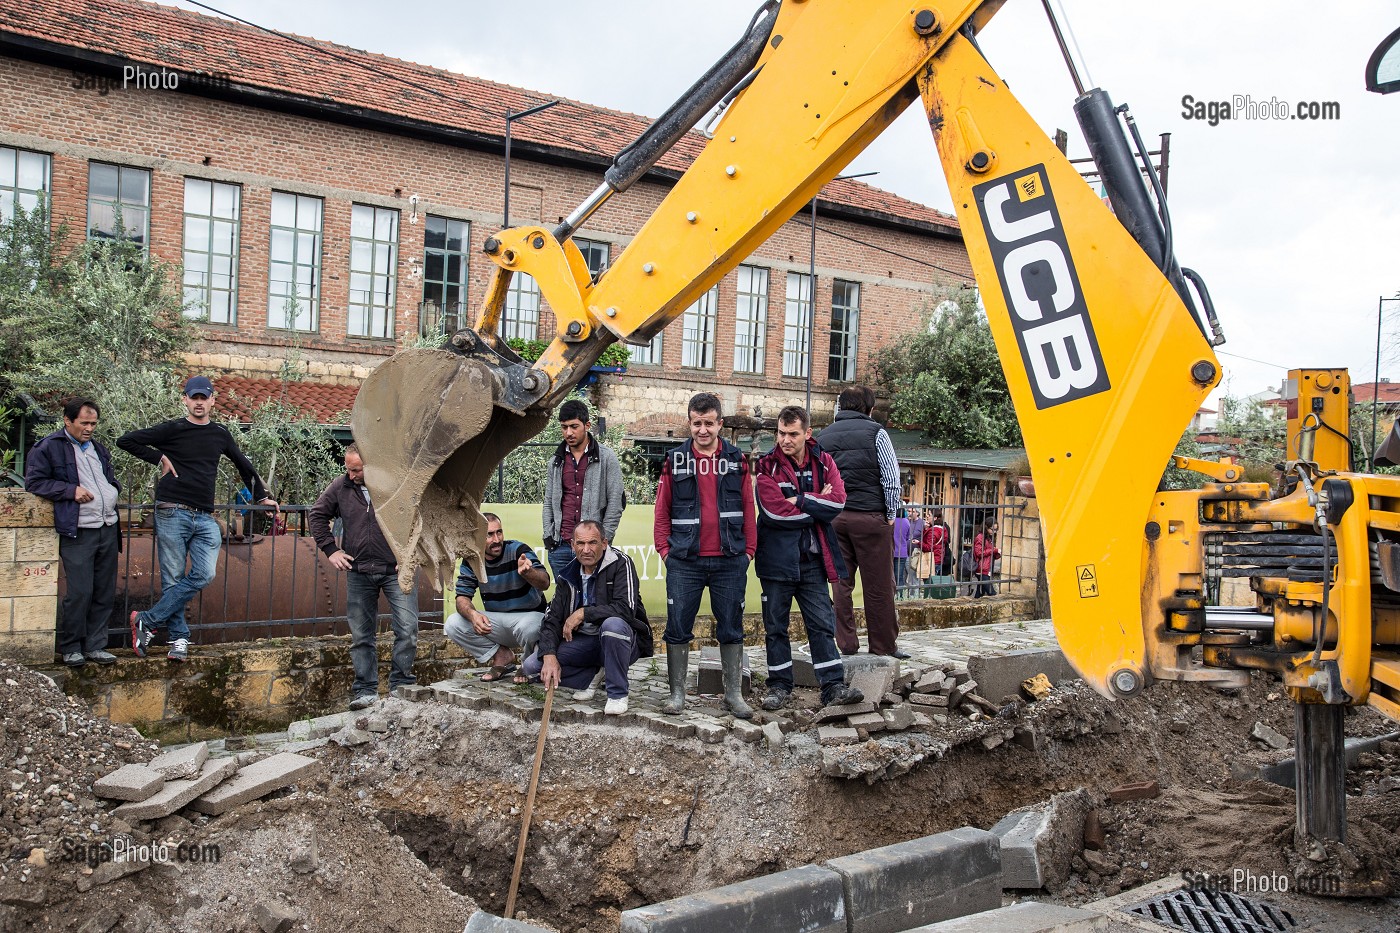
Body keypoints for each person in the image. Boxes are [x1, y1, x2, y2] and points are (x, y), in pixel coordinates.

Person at [119, 376, 278, 661]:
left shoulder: (219, 433)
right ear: (185, 400)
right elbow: (126, 441)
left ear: (213, 401)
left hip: (204, 516)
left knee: (205, 573)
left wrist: (261, 497)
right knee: (173, 578)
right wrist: (159, 459)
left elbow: (244, 465)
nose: (199, 403)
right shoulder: (173, 429)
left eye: (204, 398)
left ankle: (148, 620)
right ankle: (179, 639)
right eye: (194, 398)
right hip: (171, 510)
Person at [753, 406, 864, 711]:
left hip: (814, 559)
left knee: (821, 624)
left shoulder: (824, 461)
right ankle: (778, 687)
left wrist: (800, 499)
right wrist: (818, 504)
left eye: (792, 434)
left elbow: (838, 502)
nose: (785, 440)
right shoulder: (766, 466)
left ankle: (832, 687)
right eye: (781, 433)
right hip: (776, 561)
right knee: (775, 627)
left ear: (807, 434)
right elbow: (774, 512)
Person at [654, 392, 756, 718]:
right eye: (697, 423)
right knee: (678, 626)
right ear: (689, 423)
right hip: (685, 560)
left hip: (729, 559)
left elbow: (748, 507)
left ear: (719, 424)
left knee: (731, 627)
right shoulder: (675, 459)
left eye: (709, 423)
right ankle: (677, 694)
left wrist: (748, 552)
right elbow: (662, 510)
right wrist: (666, 552)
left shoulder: (737, 460)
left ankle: (733, 695)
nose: (702, 430)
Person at [309, 444, 421, 710]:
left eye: (356, 470)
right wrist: (331, 550)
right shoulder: (341, 487)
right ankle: (365, 691)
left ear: (370, 466)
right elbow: (317, 514)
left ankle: (401, 687)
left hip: (396, 571)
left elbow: (422, 518)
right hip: (358, 572)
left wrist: (410, 555)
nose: (351, 475)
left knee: (407, 629)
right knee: (361, 636)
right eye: (348, 469)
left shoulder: (398, 484)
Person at [25, 398, 121, 667]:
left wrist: (113, 491)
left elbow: (105, 481)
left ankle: (95, 646)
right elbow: (34, 482)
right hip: (79, 530)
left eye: (93, 423)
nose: (89, 428)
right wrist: (70, 491)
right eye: (84, 423)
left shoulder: (98, 449)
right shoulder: (48, 447)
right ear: (68, 421)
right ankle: (71, 647)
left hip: (108, 527)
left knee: (104, 591)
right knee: (80, 591)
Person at [521, 520, 652, 715]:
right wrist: (549, 655)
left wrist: (584, 613)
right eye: (580, 544)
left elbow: (626, 609)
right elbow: (552, 618)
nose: (586, 549)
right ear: (572, 545)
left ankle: (617, 694)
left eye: (592, 543)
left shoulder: (620, 563)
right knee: (532, 667)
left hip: (623, 641)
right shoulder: (568, 574)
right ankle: (592, 674)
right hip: (585, 643)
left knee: (612, 625)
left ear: (604, 543)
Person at [819, 386, 906, 658]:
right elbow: (891, 479)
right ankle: (883, 646)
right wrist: (891, 515)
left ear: (841, 407)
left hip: (835, 518)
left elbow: (818, 479)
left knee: (841, 585)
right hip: (870, 517)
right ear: (868, 408)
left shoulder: (822, 437)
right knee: (879, 584)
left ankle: (846, 644)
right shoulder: (877, 433)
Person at [444, 512, 550, 684]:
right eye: (489, 534)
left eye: (499, 532)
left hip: (529, 617)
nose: (496, 539)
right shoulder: (472, 560)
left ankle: (528, 663)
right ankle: (502, 656)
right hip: (499, 623)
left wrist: (529, 573)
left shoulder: (518, 550)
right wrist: (473, 615)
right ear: (478, 537)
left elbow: (544, 582)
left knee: (531, 625)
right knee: (453, 623)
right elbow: (462, 598)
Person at [541, 399, 625, 582]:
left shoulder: (607, 458)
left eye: (574, 426)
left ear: (587, 425)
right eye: (564, 427)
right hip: (561, 545)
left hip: (593, 547)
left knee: (594, 602)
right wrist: (549, 536)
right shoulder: (555, 461)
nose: (568, 433)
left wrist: (605, 540)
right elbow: (549, 501)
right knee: (566, 603)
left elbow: (616, 503)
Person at [973, 520, 1002, 598]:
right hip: (982, 569)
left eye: (996, 530)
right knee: (991, 593)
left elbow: (989, 553)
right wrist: (994, 550)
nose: (994, 532)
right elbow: (979, 553)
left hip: (986, 568)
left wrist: (997, 554)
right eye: (993, 529)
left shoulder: (989, 538)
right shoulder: (980, 537)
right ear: (986, 527)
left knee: (979, 594)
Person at [891, 507, 912, 598]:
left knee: (889, 574)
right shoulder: (907, 522)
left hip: (891, 551)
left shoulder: (892, 521)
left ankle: (890, 595)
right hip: (902, 552)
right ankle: (900, 595)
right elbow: (907, 537)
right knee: (899, 576)